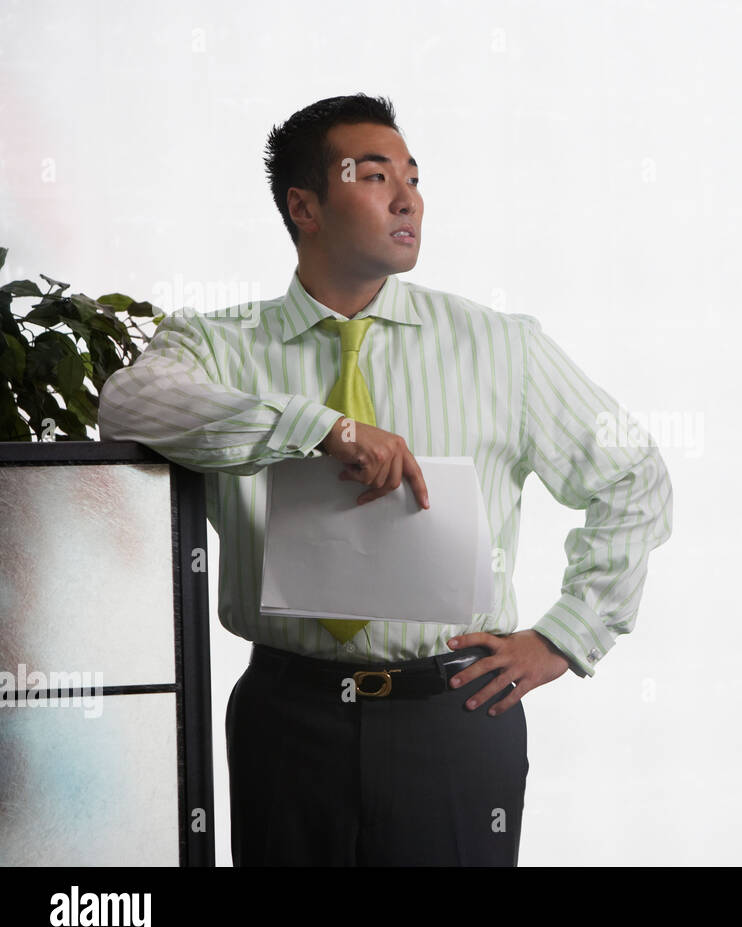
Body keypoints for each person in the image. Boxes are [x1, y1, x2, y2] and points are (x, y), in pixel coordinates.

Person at [97, 93, 673, 866]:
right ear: (305, 205)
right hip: (285, 720)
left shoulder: (501, 347)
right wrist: (319, 430)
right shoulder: (219, 342)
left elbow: (635, 476)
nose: (408, 198)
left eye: (412, 176)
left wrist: (566, 636)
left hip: (455, 717)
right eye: (373, 176)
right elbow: (130, 406)